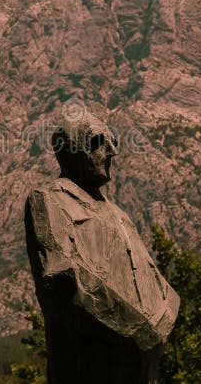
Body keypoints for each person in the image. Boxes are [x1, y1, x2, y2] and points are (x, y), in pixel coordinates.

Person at [24, 110, 179, 383]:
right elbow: (64, 281)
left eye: (113, 142)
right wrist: (138, 331)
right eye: (98, 142)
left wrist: (161, 325)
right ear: (73, 149)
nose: (111, 152)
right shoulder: (49, 201)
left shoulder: (120, 216)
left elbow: (157, 284)